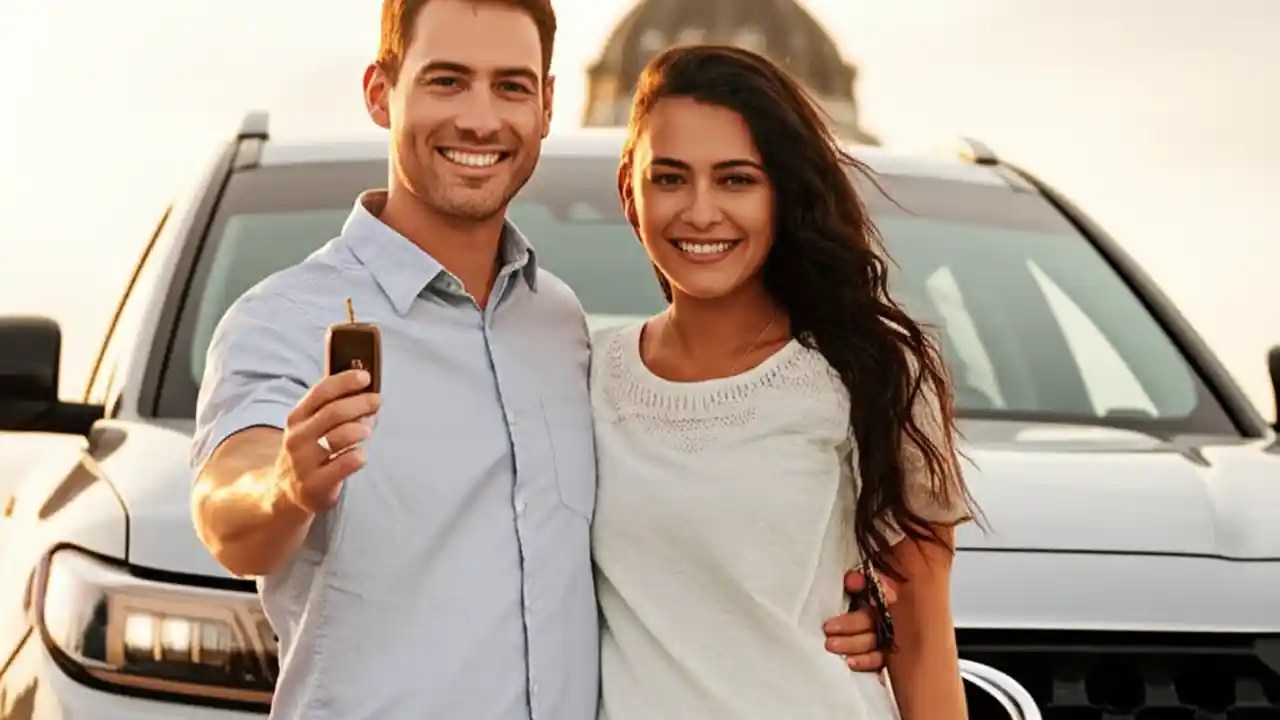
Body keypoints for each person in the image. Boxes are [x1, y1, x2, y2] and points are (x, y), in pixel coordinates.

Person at [188, 1, 889, 718]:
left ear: (548, 105)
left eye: (512, 87)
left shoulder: (563, 329)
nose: (481, 119)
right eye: (447, 81)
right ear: (380, 91)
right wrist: (286, 485)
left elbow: (681, 522)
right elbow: (226, 507)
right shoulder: (284, 320)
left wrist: (843, 599)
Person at [590, 44, 981, 719]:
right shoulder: (579, 377)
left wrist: (875, 617)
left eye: (737, 179)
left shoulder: (873, 374)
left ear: (783, 193)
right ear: (631, 189)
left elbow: (922, 648)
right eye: (671, 178)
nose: (701, 211)